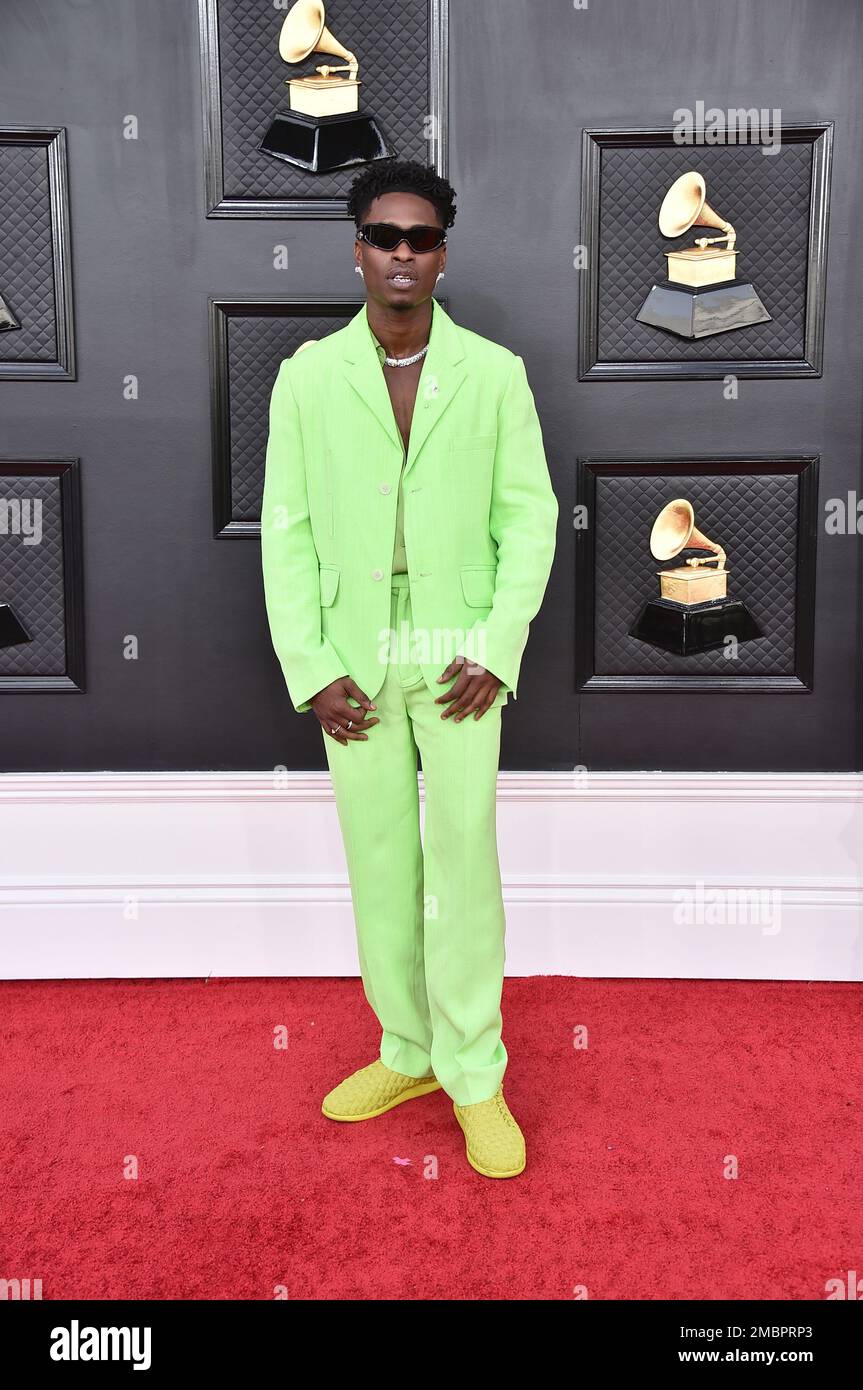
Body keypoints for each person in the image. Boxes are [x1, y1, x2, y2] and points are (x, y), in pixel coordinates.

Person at [260, 160, 558, 1178]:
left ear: (441, 252)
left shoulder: (494, 372)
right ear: (356, 248)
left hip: (458, 651)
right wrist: (311, 666)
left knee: (461, 861)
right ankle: (409, 1051)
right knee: (381, 860)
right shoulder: (306, 376)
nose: (400, 253)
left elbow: (527, 521)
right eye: (383, 235)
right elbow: (284, 532)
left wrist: (496, 645)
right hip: (353, 653)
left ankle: (474, 1075)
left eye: (419, 237)